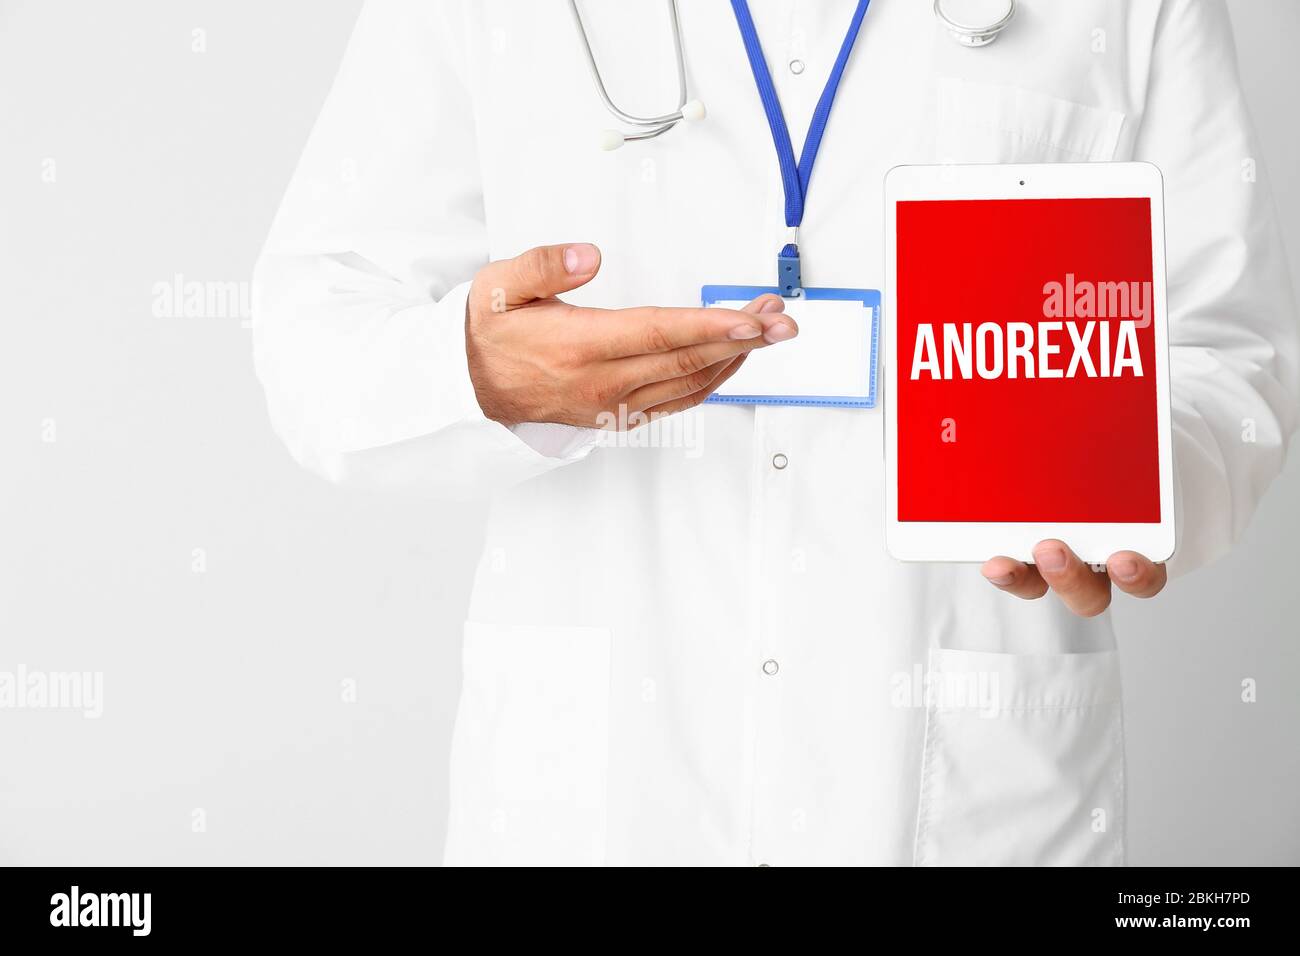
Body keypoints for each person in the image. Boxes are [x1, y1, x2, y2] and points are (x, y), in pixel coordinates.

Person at [252, 0, 1298, 865]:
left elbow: (1225, 352)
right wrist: (481, 372)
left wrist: (1140, 489)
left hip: (965, 799)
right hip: (604, 800)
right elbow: (313, 337)